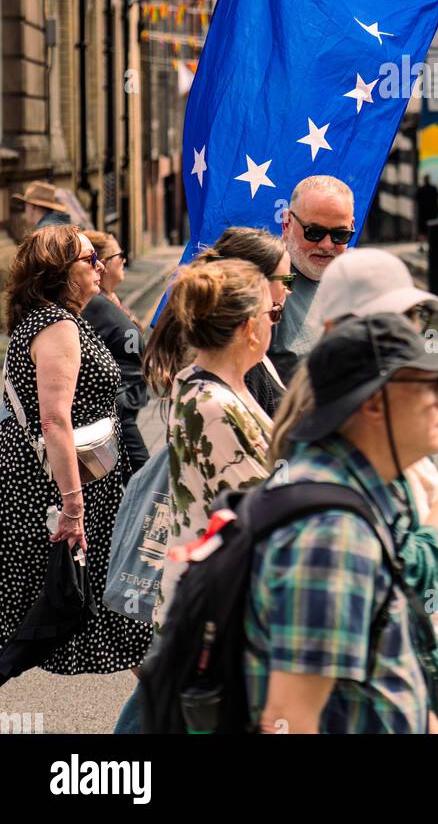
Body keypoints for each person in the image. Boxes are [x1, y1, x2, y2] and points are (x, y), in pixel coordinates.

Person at [245, 313, 438, 734]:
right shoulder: (331, 531)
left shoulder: (369, 492)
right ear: (375, 402)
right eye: (429, 385)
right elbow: (288, 717)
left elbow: (391, 659)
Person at [310, 247, 438, 667]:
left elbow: (408, 536)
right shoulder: (331, 483)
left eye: (415, 316)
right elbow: (402, 573)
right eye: (394, 317)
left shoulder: (384, 429)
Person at [0, 226, 152, 674]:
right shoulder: (56, 325)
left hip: (71, 486)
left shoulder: (62, 318)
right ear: (61, 273)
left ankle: (166, 701)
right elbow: (54, 419)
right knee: (40, 610)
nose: (100, 264)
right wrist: (72, 505)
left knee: (81, 605)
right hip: (54, 489)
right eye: (89, 259)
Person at [143, 258, 277, 626]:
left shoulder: (213, 381)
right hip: (215, 612)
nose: (275, 321)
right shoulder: (211, 404)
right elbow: (260, 503)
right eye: (273, 313)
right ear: (250, 327)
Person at [147, 227, 295, 419]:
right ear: (254, 282)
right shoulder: (241, 365)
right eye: (286, 280)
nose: (289, 290)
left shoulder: (236, 356)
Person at [268, 175, 354, 380]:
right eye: (313, 232)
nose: (326, 245)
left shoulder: (357, 281)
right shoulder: (266, 285)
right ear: (286, 224)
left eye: (340, 234)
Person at [83, 233, 149, 475]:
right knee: (142, 474)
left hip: (126, 404)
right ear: (102, 263)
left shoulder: (110, 299)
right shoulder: (92, 305)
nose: (124, 260)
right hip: (115, 409)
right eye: (119, 255)